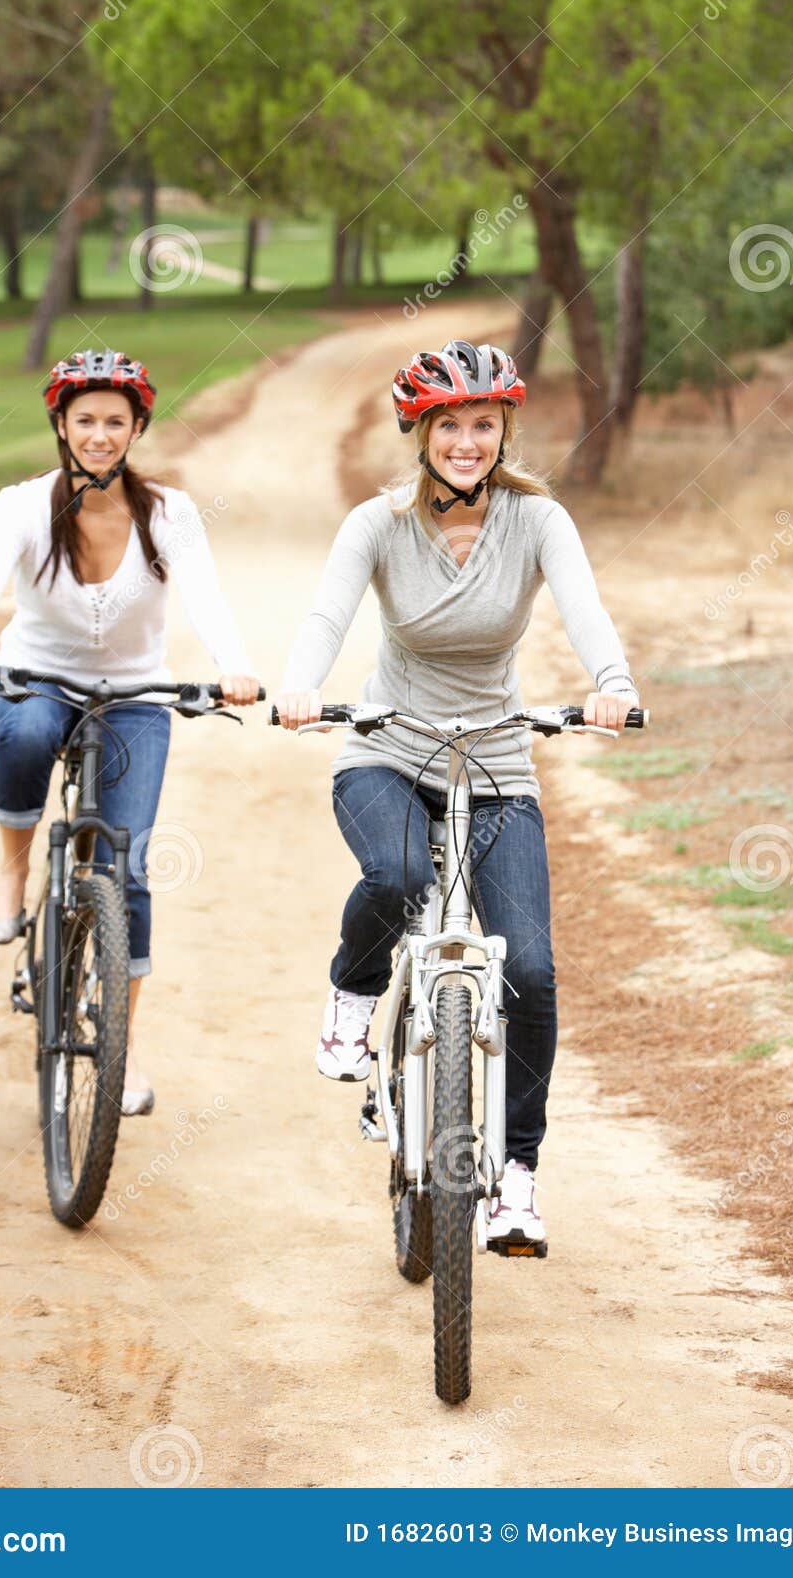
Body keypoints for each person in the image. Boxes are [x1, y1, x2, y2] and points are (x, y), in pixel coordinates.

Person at [275, 340, 640, 1250]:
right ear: (421, 431)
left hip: (496, 763)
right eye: (450, 425)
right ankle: (353, 995)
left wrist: (613, 681)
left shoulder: (537, 520)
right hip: (385, 751)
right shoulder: (377, 523)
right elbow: (327, 613)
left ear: (503, 429)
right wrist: (298, 685)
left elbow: (584, 606)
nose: (468, 441)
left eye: (484, 424)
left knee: (530, 971)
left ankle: (515, 1177)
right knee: (396, 877)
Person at [0, 349, 260, 1116]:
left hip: (134, 697)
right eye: (86, 420)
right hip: (33, 678)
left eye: (116, 421)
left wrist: (237, 668)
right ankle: (14, 873)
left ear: (137, 426)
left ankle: (120, 1042)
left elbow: (208, 602)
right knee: (28, 733)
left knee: (129, 868)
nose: (100, 435)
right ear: (60, 423)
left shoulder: (170, 513)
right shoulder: (21, 505)